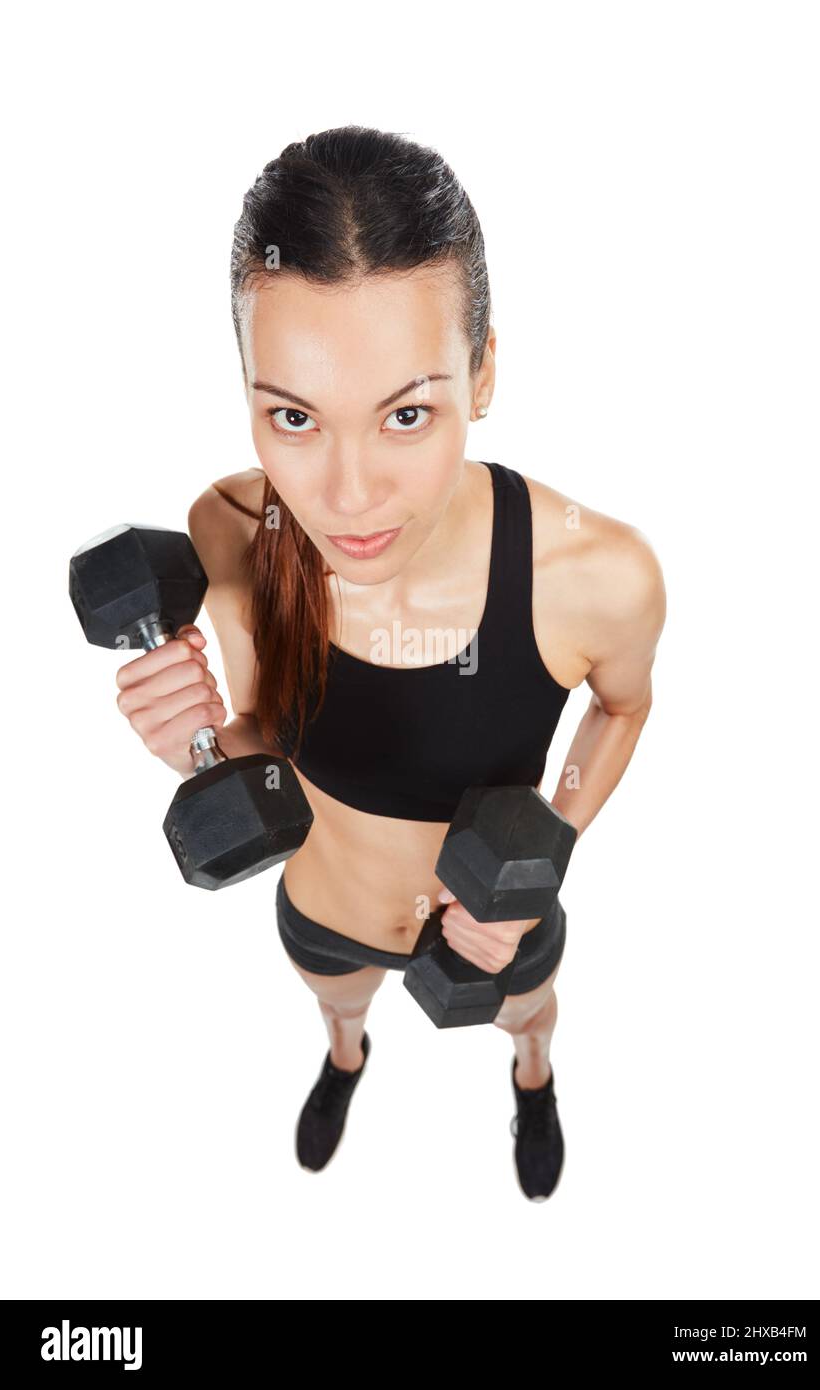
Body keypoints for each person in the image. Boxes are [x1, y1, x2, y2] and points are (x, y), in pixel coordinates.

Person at [113, 125, 666, 1202]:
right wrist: (191, 740)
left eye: (406, 413)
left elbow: (621, 710)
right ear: (247, 392)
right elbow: (272, 739)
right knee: (336, 1002)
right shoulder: (232, 529)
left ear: (484, 370)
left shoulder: (595, 573)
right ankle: (345, 1058)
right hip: (328, 901)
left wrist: (545, 849)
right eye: (293, 417)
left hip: (496, 924)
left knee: (532, 1012)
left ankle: (533, 1077)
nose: (348, 493)